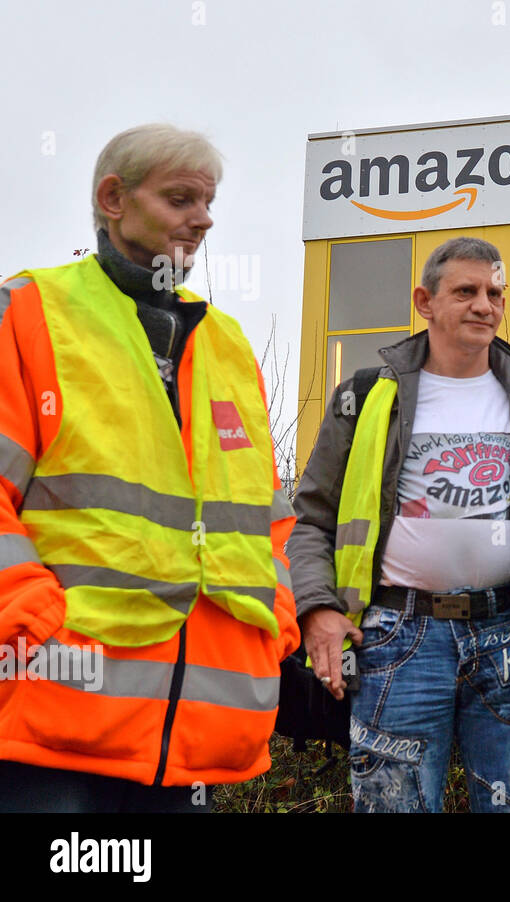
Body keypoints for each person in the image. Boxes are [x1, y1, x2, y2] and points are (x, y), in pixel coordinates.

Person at [0, 123, 299, 812]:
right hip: (52, 721)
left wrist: (275, 619)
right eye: (181, 199)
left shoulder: (227, 344)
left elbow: (267, 515)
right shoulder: (29, 312)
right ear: (113, 198)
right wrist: (29, 619)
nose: (203, 219)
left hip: (197, 741)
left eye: (208, 201)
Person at [288, 237, 510, 812]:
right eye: (465, 291)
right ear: (424, 300)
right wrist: (317, 609)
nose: (484, 305)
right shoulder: (365, 396)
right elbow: (312, 518)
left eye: (495, 292)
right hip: (397, 637)